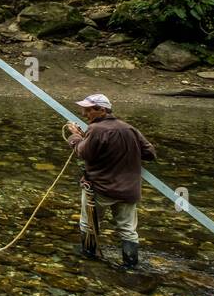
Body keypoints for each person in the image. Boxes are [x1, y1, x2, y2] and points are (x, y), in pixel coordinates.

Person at [65, 93, 157, 268]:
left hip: (100, 189)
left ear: (101, 110)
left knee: (89, 224)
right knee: (128, 230)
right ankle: (130, 266)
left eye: (88, 110)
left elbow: (83, 153)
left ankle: (88, 257)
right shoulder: (129, 128)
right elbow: (150, 153)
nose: (84, 114)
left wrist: (75, 137)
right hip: (129, 190)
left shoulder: (96, 130)